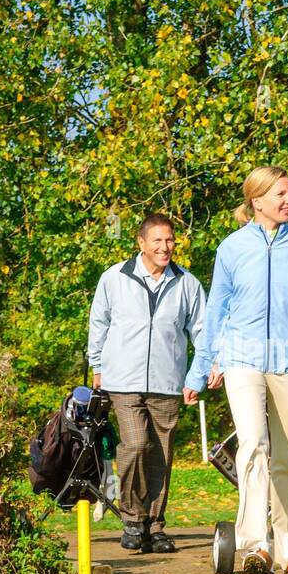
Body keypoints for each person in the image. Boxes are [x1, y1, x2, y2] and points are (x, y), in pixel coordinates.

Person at [184, 166, 288, 574]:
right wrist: (199, 372)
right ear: (257, 200)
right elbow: (216, 313)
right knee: (252, 445)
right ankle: (255, 547)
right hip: (242, 360)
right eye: (281, 194)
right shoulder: (231, 248)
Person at [87, 213, 207, 554]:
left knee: (161, 455)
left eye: (169, 240)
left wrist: (199, 373)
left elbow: (203, 332)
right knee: (137, 445)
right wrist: (97, 367)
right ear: (141, 243)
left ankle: (154, 526)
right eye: (156, 240)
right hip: (122, 380)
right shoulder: (114, 278)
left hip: (168, 382)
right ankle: (132, 519)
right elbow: (99, 324)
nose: (164, 246)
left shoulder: (187, 283)